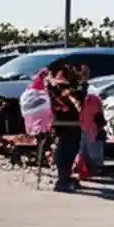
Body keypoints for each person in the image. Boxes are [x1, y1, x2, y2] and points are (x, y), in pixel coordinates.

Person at [44, 61, 86, 191]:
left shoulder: (51, 86)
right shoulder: (63, 87)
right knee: (67, 151)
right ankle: (62, 180)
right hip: (68, 123)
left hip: (61, 123)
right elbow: (80, 97)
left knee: (65, 149)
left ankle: (65, 178)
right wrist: (83, 82)